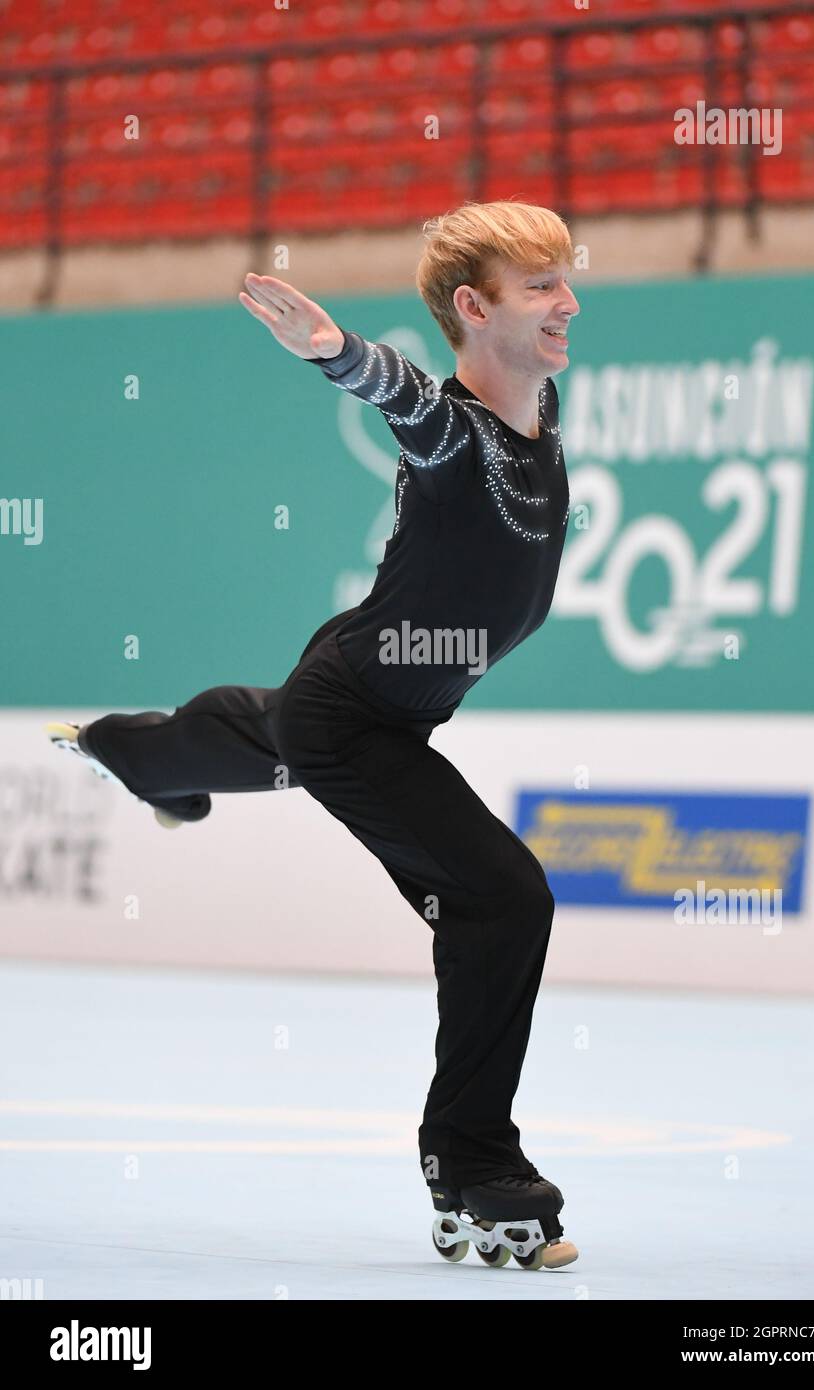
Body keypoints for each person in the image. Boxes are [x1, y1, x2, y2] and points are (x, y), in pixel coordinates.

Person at [48, 200, 581, 1269]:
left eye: (566, 278)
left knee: (254, 730)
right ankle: (474, 1164)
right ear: (472, 310)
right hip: (363, 717)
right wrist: (337, 352)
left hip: (372, 694)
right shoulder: (457, 434)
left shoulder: (539, 407)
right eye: (540, 287)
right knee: (501, 895)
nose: (567, 302)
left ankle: (130, 751)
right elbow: (411, 402)